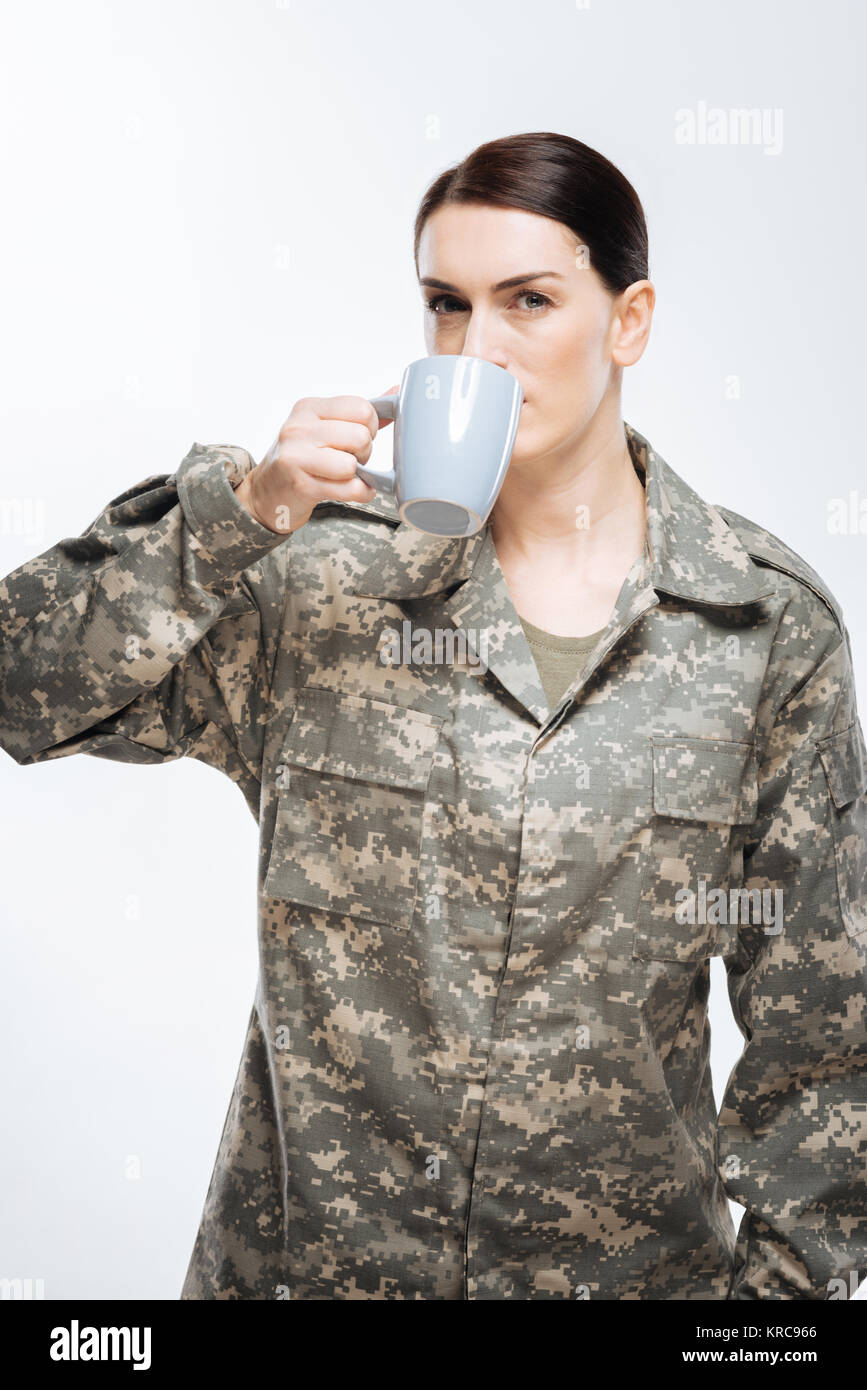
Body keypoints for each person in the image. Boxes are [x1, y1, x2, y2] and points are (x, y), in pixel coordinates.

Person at [1, 131, 865, 1301]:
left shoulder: (764, 632)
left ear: (629, 321)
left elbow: (826, 1050)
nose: (480, 348)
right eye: (448, 308)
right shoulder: (320, 582)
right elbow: (22, 679)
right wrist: (239, 511)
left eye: (530, 301)